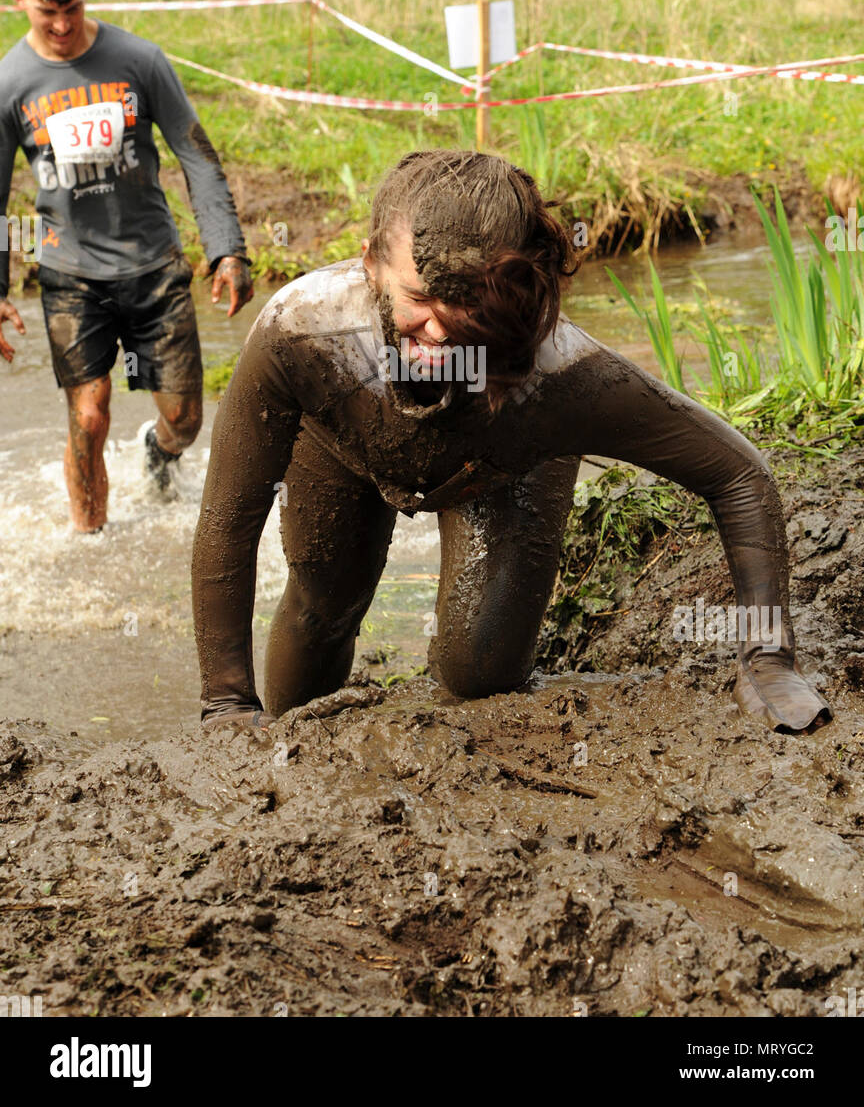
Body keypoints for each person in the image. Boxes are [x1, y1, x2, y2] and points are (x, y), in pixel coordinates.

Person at [192, 149, 832, 736]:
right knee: (321, 608)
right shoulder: (302, 335)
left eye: (467, 301)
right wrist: (226, 704)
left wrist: (767, 659)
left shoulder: (563, 375)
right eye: (418, 297)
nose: (438, 331)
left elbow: (738, 475)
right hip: (344, 443)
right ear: (370, 266)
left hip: (502, 465)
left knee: (481, 676)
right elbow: (229, 517)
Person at [0, 0, 254, 530]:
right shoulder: (10, 83)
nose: (61, 25)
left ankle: (157, 453)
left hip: (154, 267)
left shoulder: (140, 60)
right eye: (46, 11)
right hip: (70, 273)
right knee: (88, 415)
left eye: (71, 8)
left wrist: (226, 248)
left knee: (187, 419)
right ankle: (91, 544)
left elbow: (196, 153)